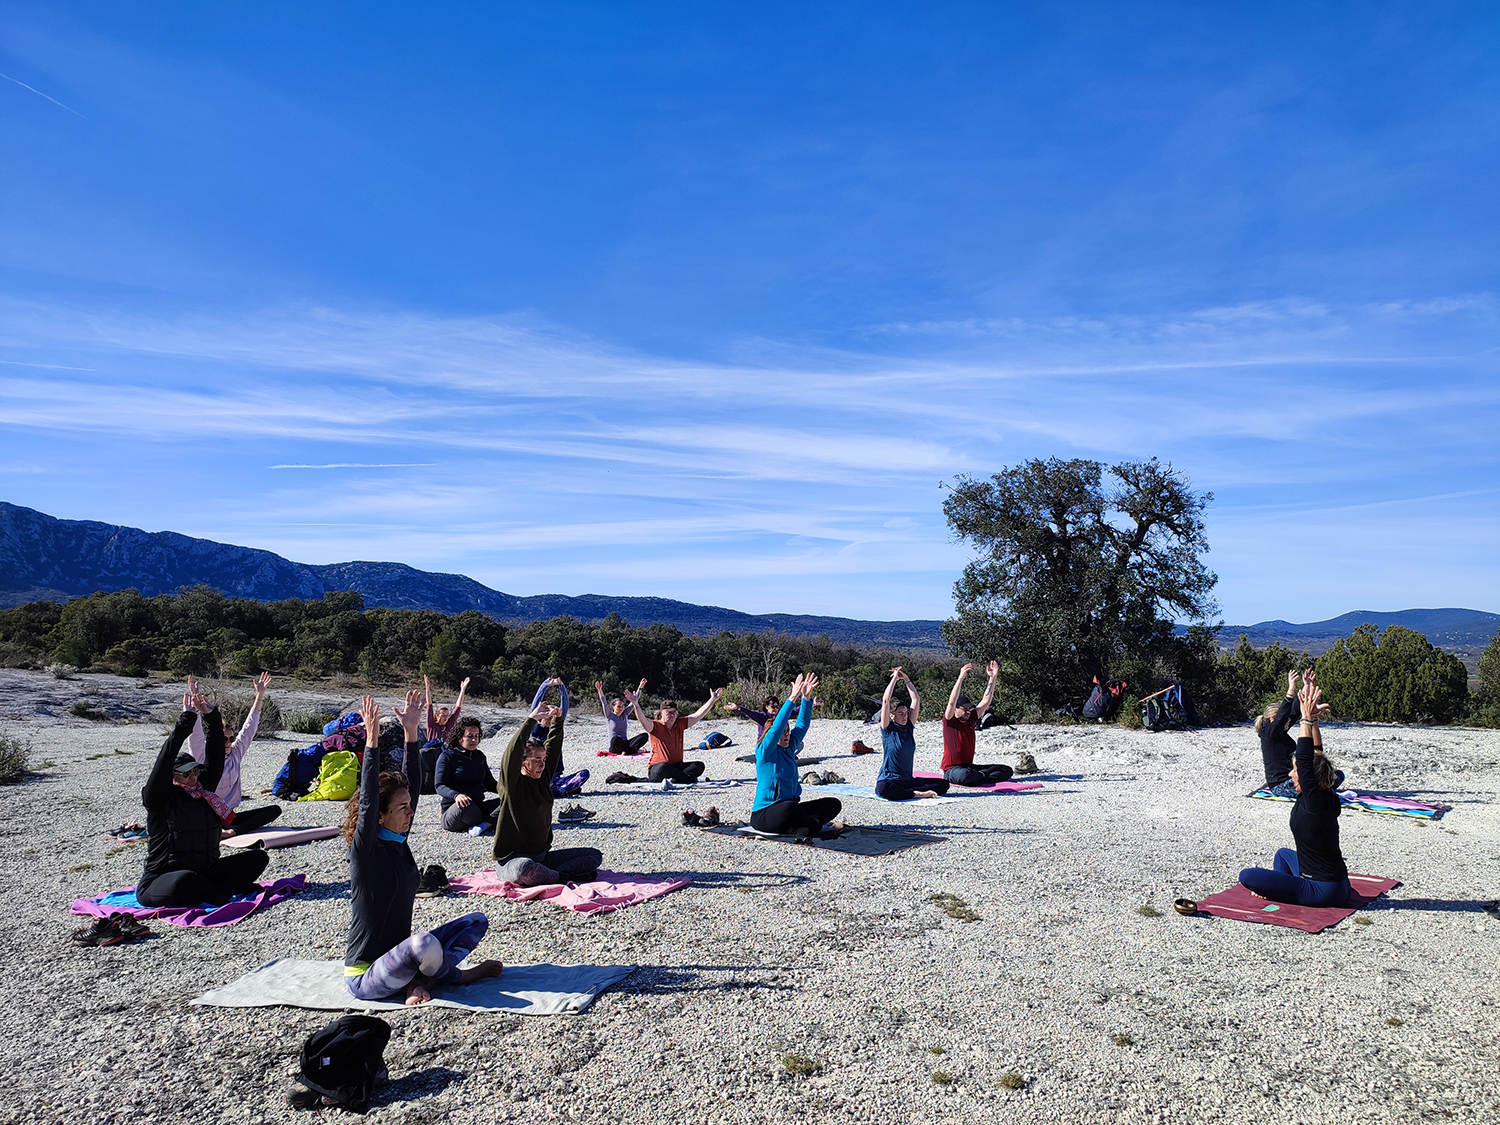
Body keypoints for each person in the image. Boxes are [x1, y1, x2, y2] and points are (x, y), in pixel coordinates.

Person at [344, 692, 503, 1005]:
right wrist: (372, 741)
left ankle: (417, 981)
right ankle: (456, 977)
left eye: (409, 807)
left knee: (475, 922)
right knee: (423, 946)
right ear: (380, 815)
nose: (410, 812)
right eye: (402, 808)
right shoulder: (366, 851)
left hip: (402, 959)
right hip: (366, 976)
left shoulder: (398, 841)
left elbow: (413, 787)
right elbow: (367, 803)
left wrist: (411, 733)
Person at [136, 689, 270, 908]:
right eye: (186, 773)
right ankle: (224, 890)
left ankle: (218, 893)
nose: (193, 776)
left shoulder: (204, 791)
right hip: (163, 878)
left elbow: (215, 752)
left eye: (195, 771)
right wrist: (186, 721)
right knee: (184, 881)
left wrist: (211, 716)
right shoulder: (159, 799)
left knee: (257, 858)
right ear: (172, 775)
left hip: (206, 871)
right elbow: (164, 758)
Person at [1237, 672, 1350, 908]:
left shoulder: (1313, 802)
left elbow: (1308, 758)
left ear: (1309, 777)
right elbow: (1316, 754)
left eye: (1295, 770)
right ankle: (1284, 889)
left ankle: (1283, 893)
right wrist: (1314, 720)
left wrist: (1306, 721)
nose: (1291, 773)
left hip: (1321, 891)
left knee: (1247, 876)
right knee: (1282, 854)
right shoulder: (1326, 795)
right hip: (1340, 886)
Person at [491, 699, 603, 885]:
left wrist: (558, 720)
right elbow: (511, 754)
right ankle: (564, 877)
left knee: (594, 856)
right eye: (536, 760)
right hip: (512, 860)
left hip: (541, 857)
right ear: (522, 762)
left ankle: (551, 875)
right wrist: (531, 720)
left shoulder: (543, 779)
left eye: (543, 759)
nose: (542, 764)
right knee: (523, 870)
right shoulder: (511, 785)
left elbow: (554, 746)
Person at [184, 672, 282, 836]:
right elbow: (196, 736)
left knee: (274, 810)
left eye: (231, 738)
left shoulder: (235, 753)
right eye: (223, 739)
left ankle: (227, 830)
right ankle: (227, 832)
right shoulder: (203, 756)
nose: (228, 743)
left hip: (228, 815)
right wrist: (194, 706)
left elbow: (249, 728)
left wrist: (260, 695)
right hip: (206, 814)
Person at [751, 672, 842, 837]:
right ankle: (814, 828)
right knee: (790, 808)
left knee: (833, 804)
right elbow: (776, 727)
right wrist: (793, 696)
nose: (787, 735)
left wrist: (806, 698)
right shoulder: (764, 751)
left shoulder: (788, 748)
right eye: (783, 733)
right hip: (765, 814)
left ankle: (800, 828)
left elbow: (802, 725)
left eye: (788, 731)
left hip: (789, 809)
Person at [628, 679, 724, 783]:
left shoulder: (680, 724)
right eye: (668, 712)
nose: (672, 715)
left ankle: (678, 779)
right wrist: (636, 704)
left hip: (676, 767)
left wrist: (712, 699)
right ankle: (688, 779)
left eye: (674, 712)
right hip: (657, 769)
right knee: (663, 767)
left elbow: (698, 714)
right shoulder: (655, 726)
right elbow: (642, 719)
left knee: (698, 765)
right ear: (661, 714)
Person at [876, 667, 948, 801]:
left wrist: (906, 679)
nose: (905, 716)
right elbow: (886, 701)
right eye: (900, 714)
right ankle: (916, 794)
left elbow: (916, 700)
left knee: (944, 784)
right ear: (891, 716)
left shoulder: (909, 727)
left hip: (908, 780)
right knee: (882, 789)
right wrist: (895, 680)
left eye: (906, 713)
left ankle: (907, 792)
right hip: (890, 780)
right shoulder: (888, 729)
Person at [941, 662, 1013, 786]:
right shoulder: (950, 722)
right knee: (965, 775)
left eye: (969, 709)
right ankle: (982, 776)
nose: (968, 711)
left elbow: (986, 701)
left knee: (1006, 771)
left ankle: (981, 776)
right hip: (952, 770)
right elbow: (952, 701)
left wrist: (992, 678)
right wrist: (960, 678)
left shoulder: (970, 719)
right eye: (965, 709)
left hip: (969, 767)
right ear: (955, 709)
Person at [433, 716, 501, 834]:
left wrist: (507, 791)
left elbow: (490, 783)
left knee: (508, 801)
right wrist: (456, 795)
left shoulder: (480, 757)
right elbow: (439, 785)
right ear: (460, 737)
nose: (474, 740)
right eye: (469, 736)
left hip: (478, 806)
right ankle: (492, 819)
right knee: (465, 805)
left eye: (476, 736)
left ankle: (484, 825)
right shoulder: (447, 756)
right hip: (456, 809)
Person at [531, 677, 588, 796]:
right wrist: (545, 685)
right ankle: (556, 790)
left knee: (584, 774)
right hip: (539, 774)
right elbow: (535, 706)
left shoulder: (556, 729)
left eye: (554, 713)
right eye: (548, 713)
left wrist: (562, 686)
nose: (551, 715)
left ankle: (555, 791)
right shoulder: (535, 728)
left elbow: (565, 706)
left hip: (555, 775)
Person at [597, 680, 649, 755]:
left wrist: (640, 687)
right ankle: (632, 750)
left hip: (625, 743)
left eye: (622, 706)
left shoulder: (625, 714)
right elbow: (604, 703)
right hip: (615, 746)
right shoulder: (609, 715)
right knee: (615, 739)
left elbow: (634, 701)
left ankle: (628, 750)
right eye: (618, 706)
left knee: (644, 736)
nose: (621, 708)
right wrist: (600, 690)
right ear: (613, 707)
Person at [423, 674, 469, 746]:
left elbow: (457, 708)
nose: (446, 717)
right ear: (437, 716)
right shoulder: (431, 725)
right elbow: (429, 706)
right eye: (443, 715)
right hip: (432, 754)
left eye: (447, 715)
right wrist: (427, 688)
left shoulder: (449, 725)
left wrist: (462, 690)